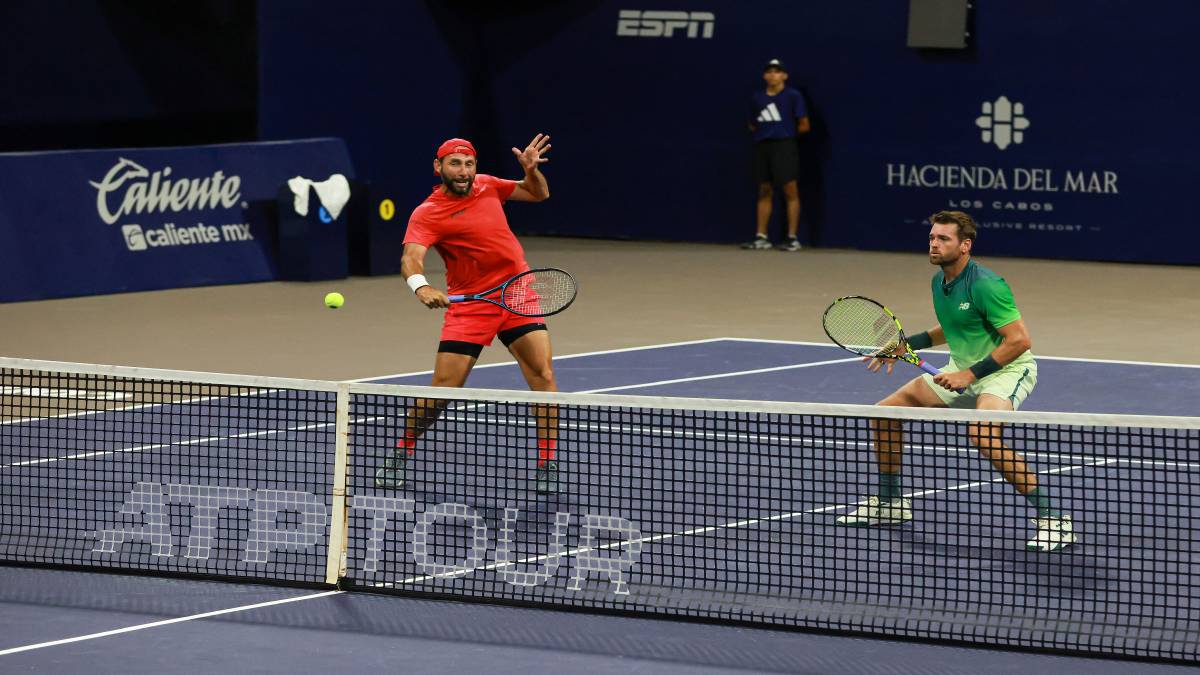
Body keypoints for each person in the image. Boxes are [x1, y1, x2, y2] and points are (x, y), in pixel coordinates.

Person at [837, 210, 1076, 552]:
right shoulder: (941, 282)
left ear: (965, 246)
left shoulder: (986, 284)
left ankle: (1054, 520)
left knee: (982, 434)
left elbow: (1020, 340)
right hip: (961, 368)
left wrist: (969, 375)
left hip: (1005, 371)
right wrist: (906, 345)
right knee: (886, 412)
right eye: (932, 237)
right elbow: (953, 327)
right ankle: (890, 504)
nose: (934, 244)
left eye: (943, 238)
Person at [375, 134, 561, 494]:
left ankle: (548, 461)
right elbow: (410, 259)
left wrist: (531, 171)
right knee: (444, 389)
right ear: (438, 167)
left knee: (543, 373)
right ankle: (402, 450)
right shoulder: (427, 213)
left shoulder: (488, 185)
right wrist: (421, 287)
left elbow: (538, 194)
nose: (463, 172)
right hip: (471, 306)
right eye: (455, 164)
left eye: (469, 164)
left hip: (517, 293)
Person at [743, 58, 810, 252]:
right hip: (763, 147)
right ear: (765, 76)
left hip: (785, 146)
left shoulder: (793, 96)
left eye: (777, 71)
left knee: (790, 190)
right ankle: (761, 236)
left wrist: (785, 135)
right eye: (769, 71)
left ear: (784, 76)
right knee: (764, 189)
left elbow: (805, 125)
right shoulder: (757, 97)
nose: (773, 75)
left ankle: (792, 238)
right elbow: (752, 124)